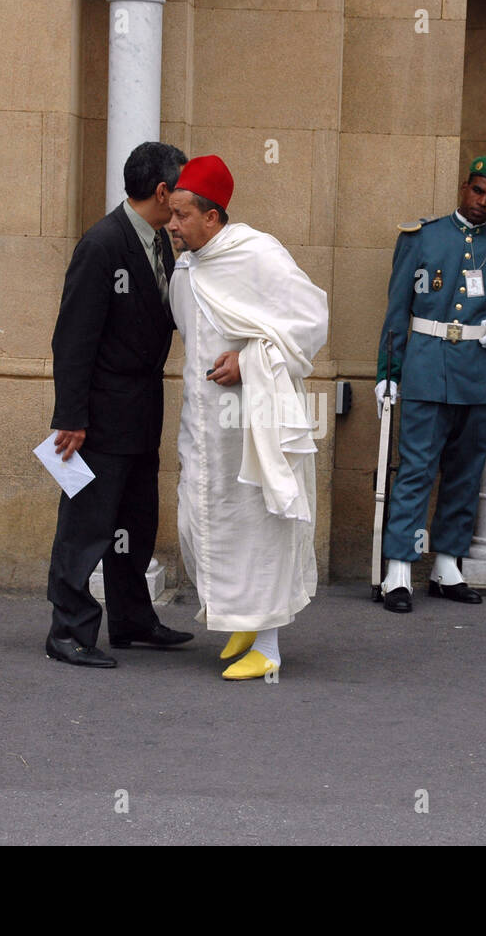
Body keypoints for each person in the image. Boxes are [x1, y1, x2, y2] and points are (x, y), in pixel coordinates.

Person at [165, 155, 329, 680]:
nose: (172, 224)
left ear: (213, 217)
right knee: (200, 515)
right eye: (171, 214)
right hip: (204, 420)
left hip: (252, 419)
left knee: (259, 521)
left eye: (183, 215)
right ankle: (237, 614)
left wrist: (249, 359)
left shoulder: (257, 255)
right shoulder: (190, 263)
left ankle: (269, 646)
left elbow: (309, 322)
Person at [45, 141, 195, 669]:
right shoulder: (103, 244)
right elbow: (73, 338)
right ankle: (68, 630)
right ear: (161, 190)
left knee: (135, 520)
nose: (183, 201)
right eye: (180, 190)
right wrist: (71, 419)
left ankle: (132, 620)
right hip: (99, 420)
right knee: (86, 526)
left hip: (140, 410)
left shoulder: (159, 242)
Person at [374, 155, 486, 613]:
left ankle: (448, 566)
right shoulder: (421, 238)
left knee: (465, 474)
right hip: (427, 369)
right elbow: (396, 312)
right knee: (416, 471)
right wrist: (388, 373)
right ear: (464, 187)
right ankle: (399, 571)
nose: (483, 202)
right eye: (477, 191)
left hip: (480, 375)